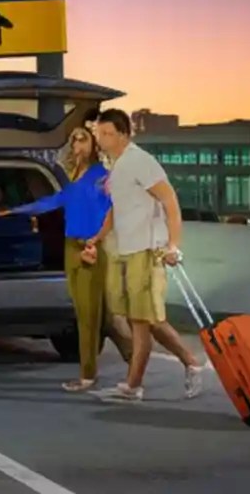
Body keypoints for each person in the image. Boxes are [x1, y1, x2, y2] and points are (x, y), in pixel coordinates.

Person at [0, 126, 133, 392]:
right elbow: (53, 201)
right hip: (71, 246)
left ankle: (88, 376)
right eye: (73, 140)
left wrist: (96, 240)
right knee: (101, 315)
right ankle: (135, 362)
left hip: (89, 247)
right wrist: (15, 211)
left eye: (82, 139)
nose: (76, 144)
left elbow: (114, 211)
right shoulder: (74, 177)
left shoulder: (101, 177)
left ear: (94, 145)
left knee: (88, 315)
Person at [85, 109, 205, 402]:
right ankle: (190, 363)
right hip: (126, 249)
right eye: (99, 134)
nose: (101, 140)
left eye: (108, 134)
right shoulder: (117, 165)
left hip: (147, 250)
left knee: (141, 320)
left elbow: (170, 200)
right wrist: (98, 237)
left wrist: (173, 245)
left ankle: (133, 386)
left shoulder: (140, 161)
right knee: (142, 318)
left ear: (124, 134)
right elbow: (118, 207)